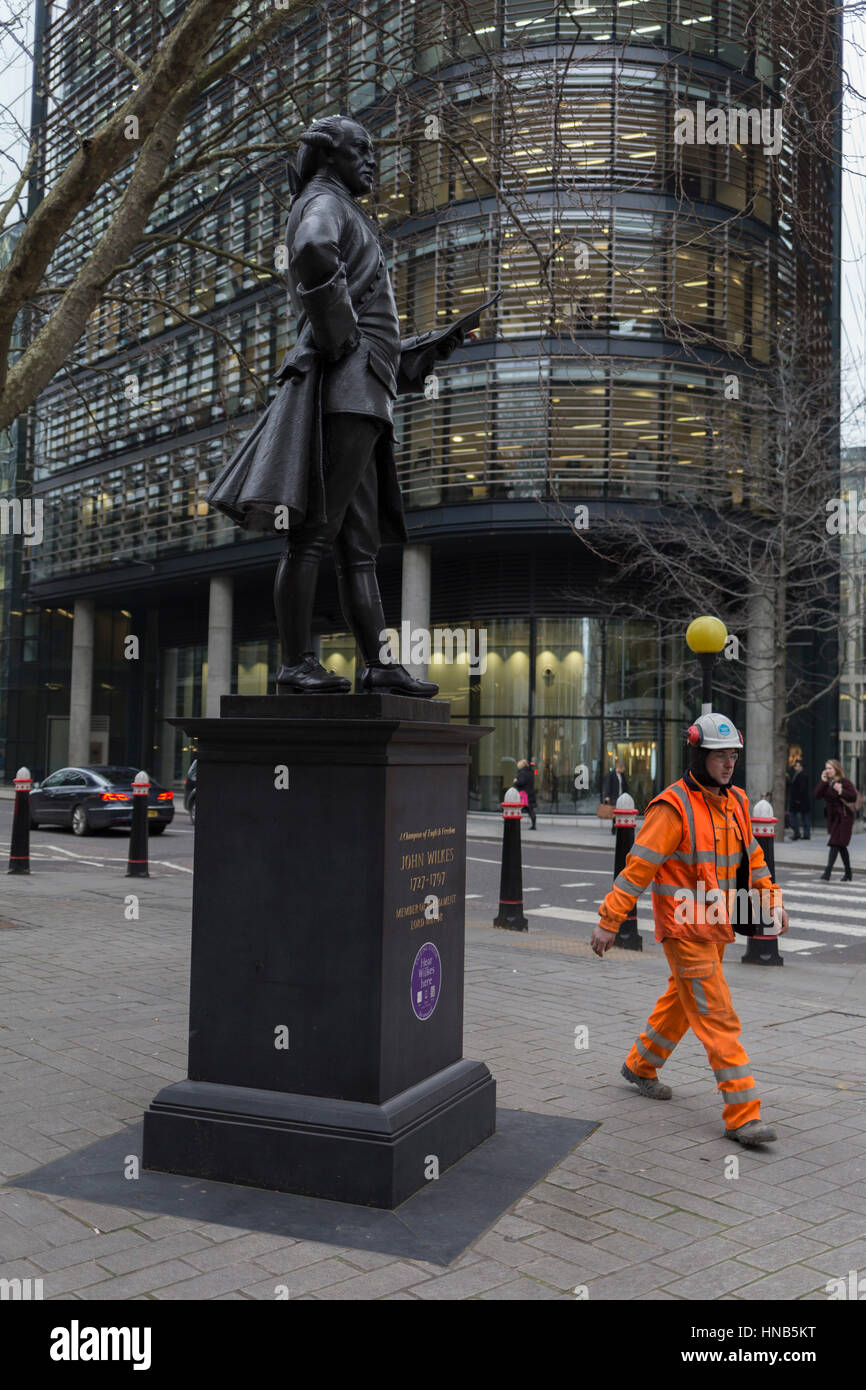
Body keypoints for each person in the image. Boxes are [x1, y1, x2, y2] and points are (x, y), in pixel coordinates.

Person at [205, 116, 465, 695]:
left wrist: (425, 349)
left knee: (359, 545)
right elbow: (312, 252)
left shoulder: (344, 206)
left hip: (367, 393)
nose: (373, 160)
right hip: (350, 395)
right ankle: (296, 663)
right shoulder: (323, 202)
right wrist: (341, 336)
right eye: (362, 149)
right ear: (328, 157)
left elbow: (372, 328)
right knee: (315, 536)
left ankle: (377, 663)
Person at [591, 712, 789, 1147]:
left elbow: (753, 859)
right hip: (683, 931)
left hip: (716, 927)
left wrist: (771, 899)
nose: (728, 764)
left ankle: (641, 1064)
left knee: (681, 1002)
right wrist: (610, 920)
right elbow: (637, 869)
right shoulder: (672, 806)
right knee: (718, 1016)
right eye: (719, 756)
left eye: (732, 756)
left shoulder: (735, 801)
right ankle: (743, 1114)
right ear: (698, 755)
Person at [815, 759, 857, 881]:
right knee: (841, 846)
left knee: (834, 843)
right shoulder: (827, 783)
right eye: (826, 768)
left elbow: (853, 797)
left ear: (836, 769)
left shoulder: (844, 782)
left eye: (830, 768)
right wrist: (823, 782)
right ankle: (848, 873)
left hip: (844, 818)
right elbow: (816, 795)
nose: (827, 771)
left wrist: (841, 790)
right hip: (833, 819)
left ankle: (827, 873)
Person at [603, 759, 629, 836]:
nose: (623, 770)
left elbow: (625, 785)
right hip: (613, 796)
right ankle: (614, 828)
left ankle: (618, 827)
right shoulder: (611, 774)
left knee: (620, 813)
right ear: (619, 768)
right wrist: (607, 796)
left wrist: (627, 794)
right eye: (623, 768)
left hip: (621, 796)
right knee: (615, 813)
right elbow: (607, 785)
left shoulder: (622, 775)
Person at [787, 760, 811, 841]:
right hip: (798, 801)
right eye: (795, 766)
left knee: (802, 817)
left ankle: (803, 834)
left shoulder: (803, 775)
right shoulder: (796, 775)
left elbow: (802, 788)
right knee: (800, 817)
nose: (795, 767)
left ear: (801, 767)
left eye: (797, 766)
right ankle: (799, 833)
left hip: (800, 801)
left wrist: (798, 799)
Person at [514, 759, 537, 830]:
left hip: (523, 794)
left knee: (518, 808)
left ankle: (511, 821)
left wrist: (516, 781)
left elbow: (521, 782)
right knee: (530, 809)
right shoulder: (530, 772)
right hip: (530, 793)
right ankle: (533, 825)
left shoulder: (522, 772)